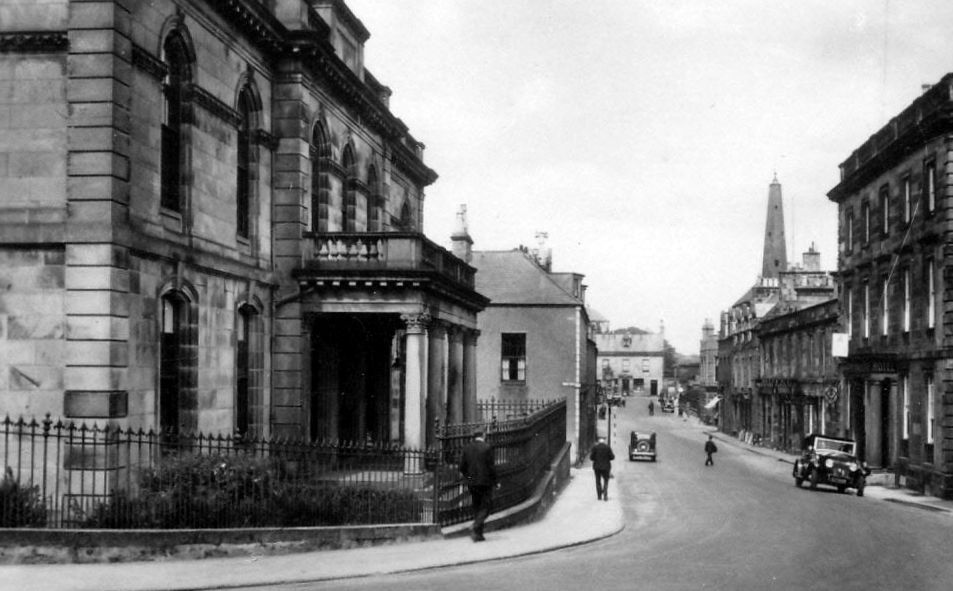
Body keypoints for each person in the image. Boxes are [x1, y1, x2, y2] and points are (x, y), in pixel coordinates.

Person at [459, 428, 497, 542]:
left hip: (472, 482)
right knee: (487, 506)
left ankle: (478, 534)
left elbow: (462, 467)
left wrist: (468, 478)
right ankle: (476, 525)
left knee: (477, 506)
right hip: (485, 482)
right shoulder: (487, 447)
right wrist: (496, 481)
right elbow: (491, 467)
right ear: (483, 435)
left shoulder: (467, 448)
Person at [589, 436, 615, 501]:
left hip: (597, 467)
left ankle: (599, 496)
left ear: (598, 441)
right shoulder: (607, 447)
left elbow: (591, 457)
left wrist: (596, 458)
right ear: (604, 441)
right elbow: (612, 457)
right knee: (606, 481)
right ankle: (605, 496)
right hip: (606, 467)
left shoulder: (595, 447)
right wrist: (607, 458)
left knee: (598, 481)